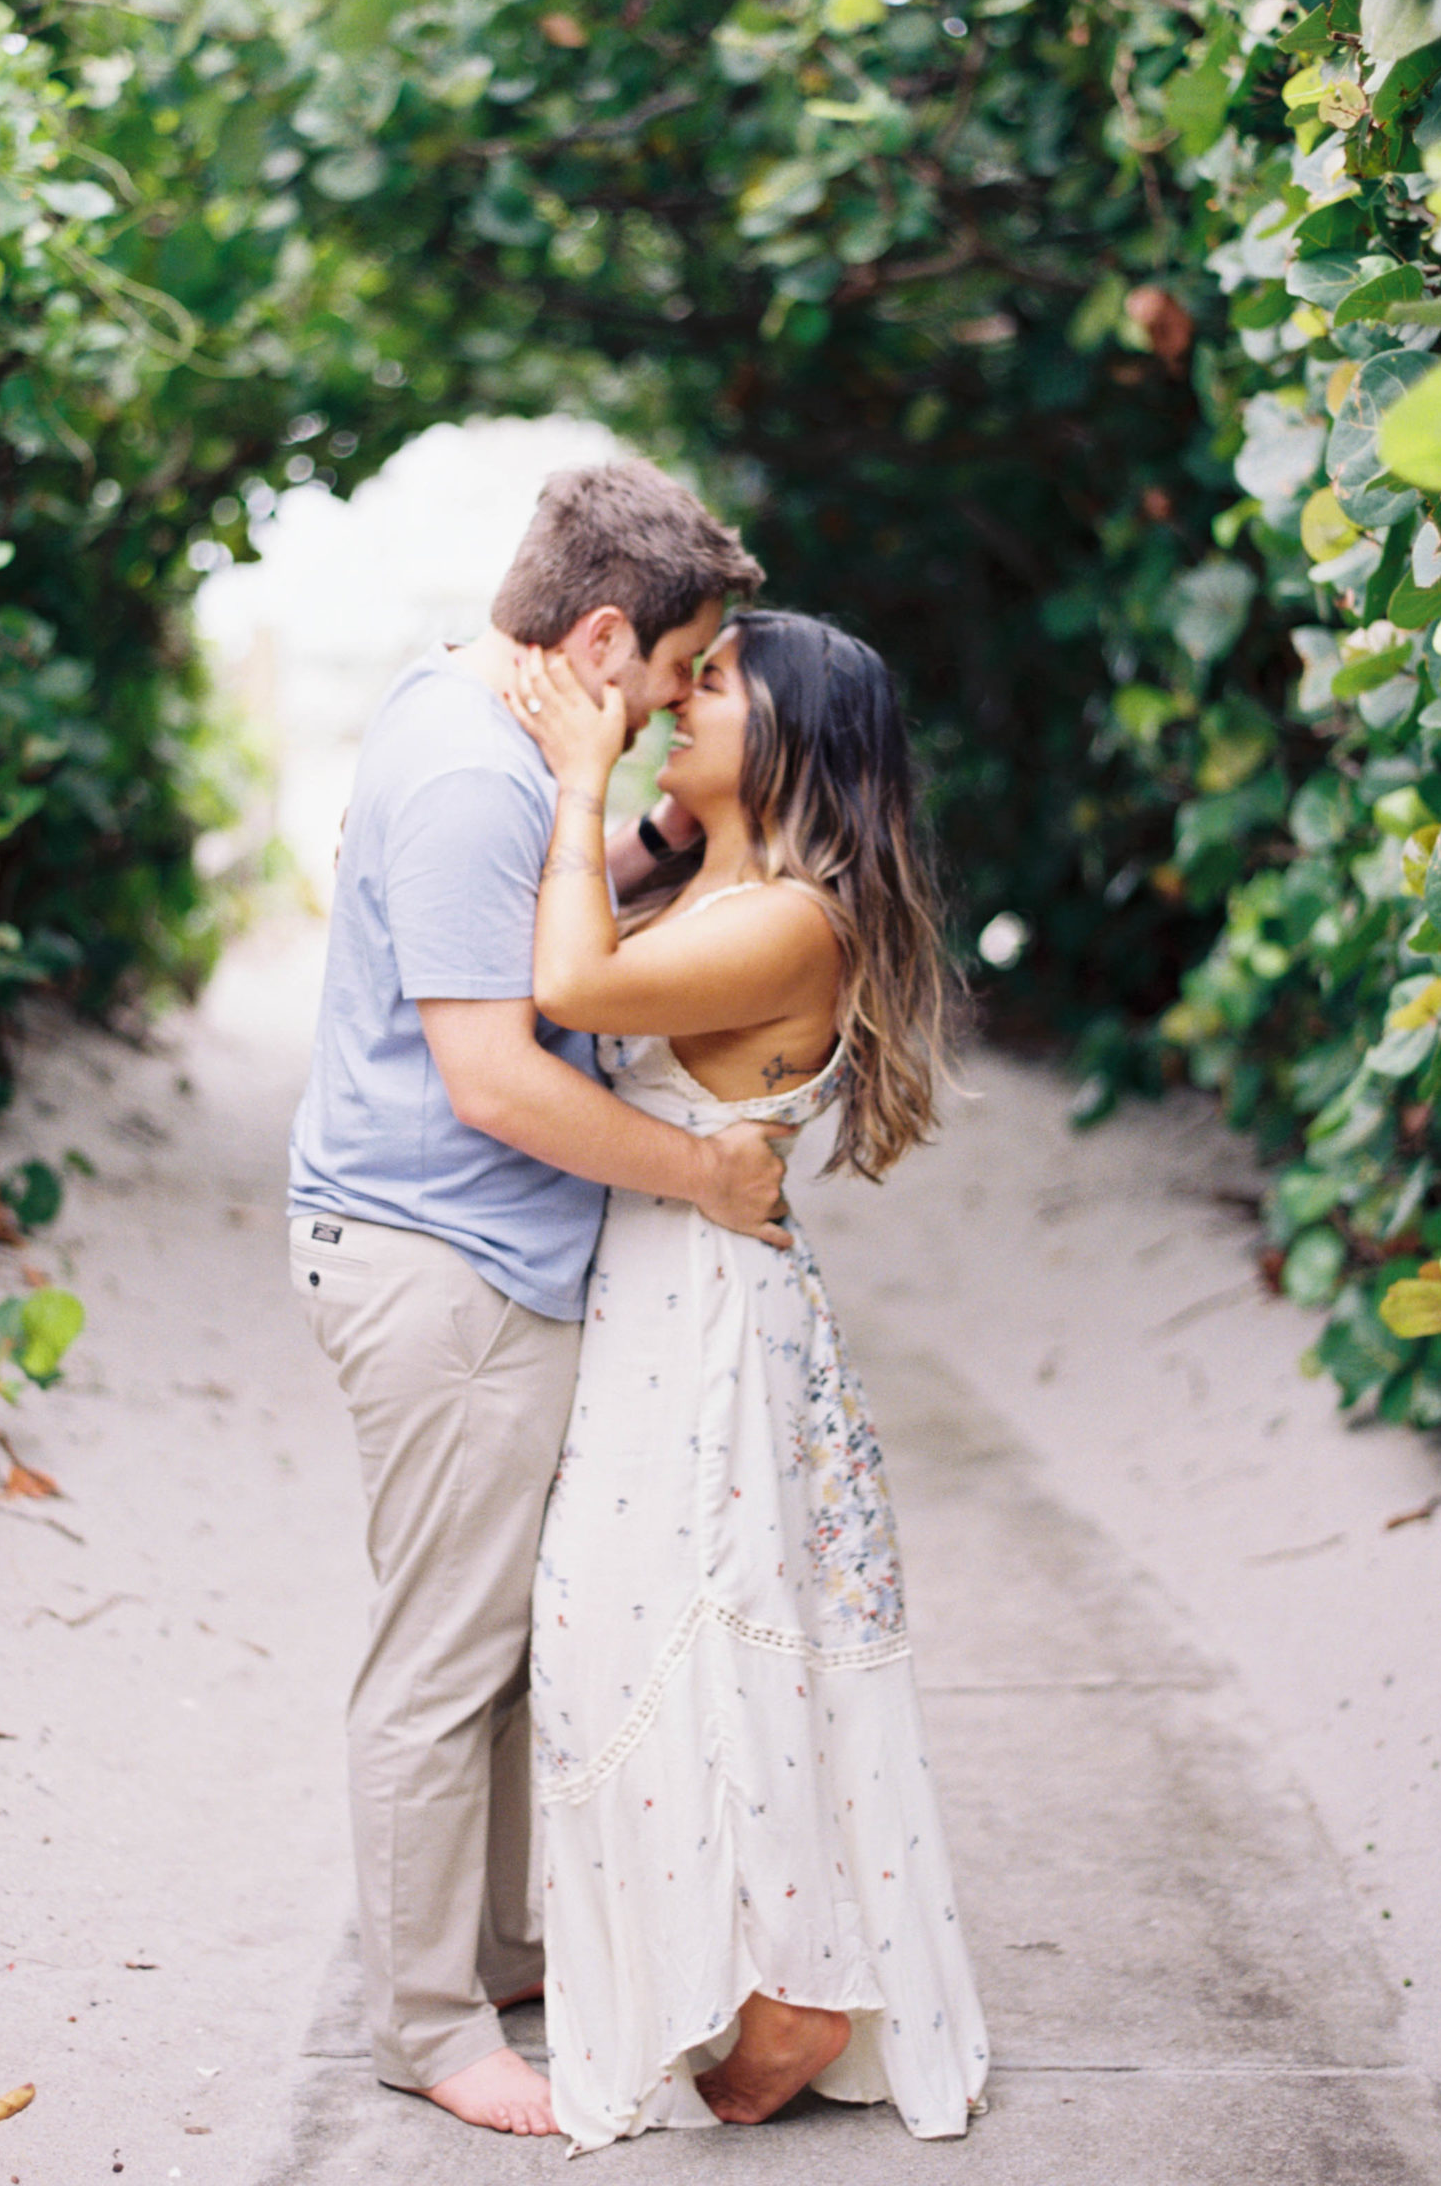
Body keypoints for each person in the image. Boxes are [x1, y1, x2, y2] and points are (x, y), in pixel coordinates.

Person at [287, 457, 788, 2139]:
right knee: (440, 1660)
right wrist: (707, 1179)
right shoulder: (462, 774)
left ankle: (494, 1947)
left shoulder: (509, 745)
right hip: (440, 1263)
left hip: (474, 1258)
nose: (670, 702)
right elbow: (495, 1078)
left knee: (494, 1643)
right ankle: (425, 2023)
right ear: (597, 634)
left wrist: (644, 830)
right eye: (670, 665)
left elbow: (545, 941)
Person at [504, 607, 990, 2151]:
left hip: (705, 1325)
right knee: (650, 1630)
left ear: (784, 737)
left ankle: (793, 1976)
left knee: (694, 1627)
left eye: (709, 686)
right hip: (671, 1298)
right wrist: (644, 813)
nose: (669, 700)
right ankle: (743, 1963)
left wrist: (579, 778)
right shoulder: (728, 886)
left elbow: (572, 988)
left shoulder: (788, 917)